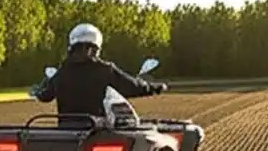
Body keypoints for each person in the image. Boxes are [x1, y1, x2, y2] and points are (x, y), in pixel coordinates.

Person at [30, 23, 167, 123]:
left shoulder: (61, 73)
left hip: (66, 134)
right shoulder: (105, 70)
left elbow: (45, 96)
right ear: (90, 48)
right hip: (96, 132)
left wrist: (38, 88)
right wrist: (156, 87)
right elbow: (133, 87)